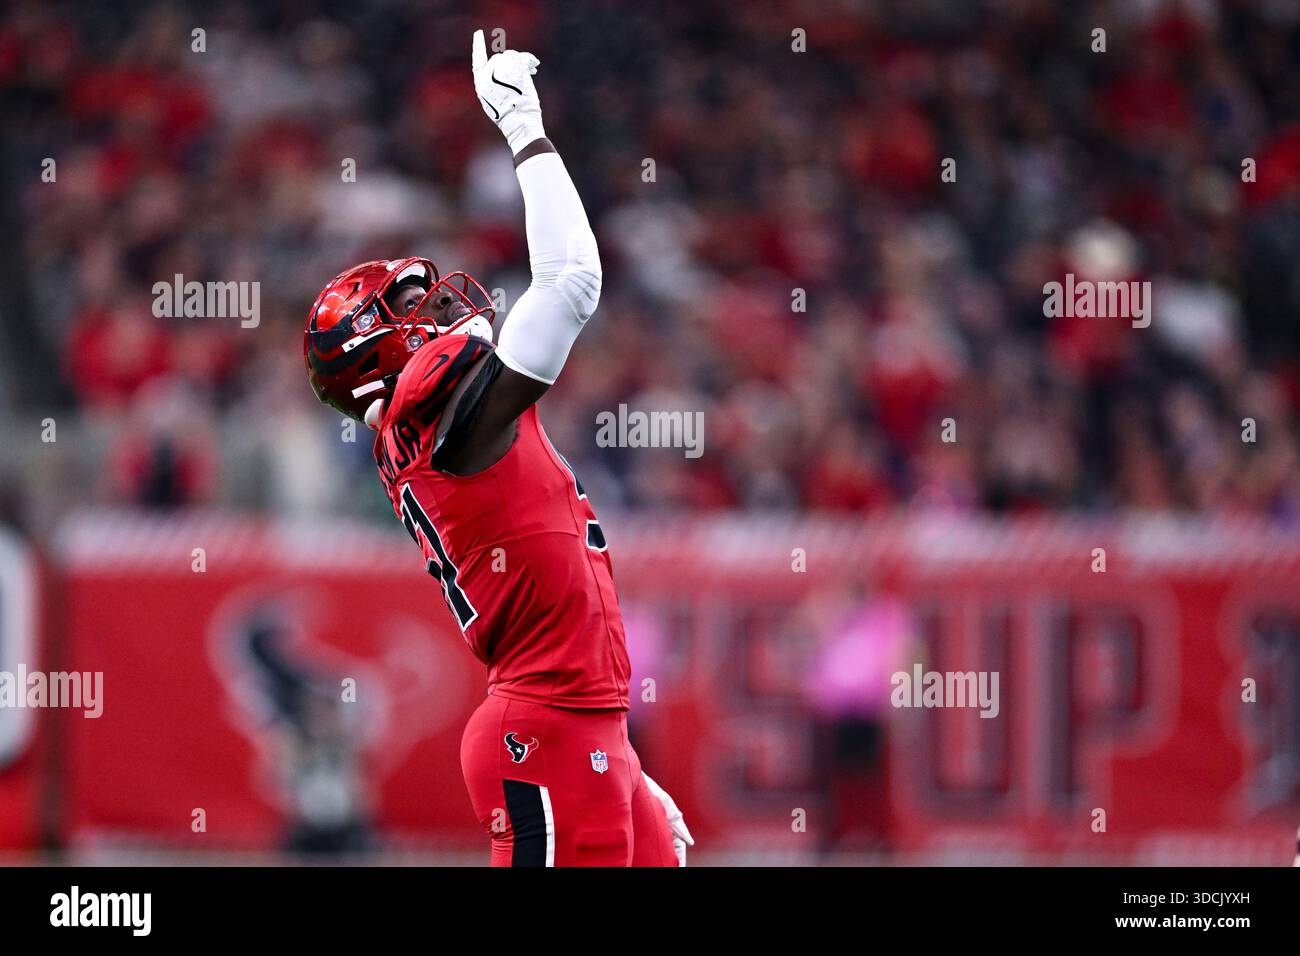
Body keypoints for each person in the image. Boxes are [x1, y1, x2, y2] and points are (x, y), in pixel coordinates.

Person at [303, 30, 692, 866]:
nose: (437, 307)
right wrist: (527, 129)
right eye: (410, 307)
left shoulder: (446, 425)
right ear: (376, 358)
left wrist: (620, 755)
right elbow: (571, 284)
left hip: (579, 725)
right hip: (545, 731)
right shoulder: (444, 422)